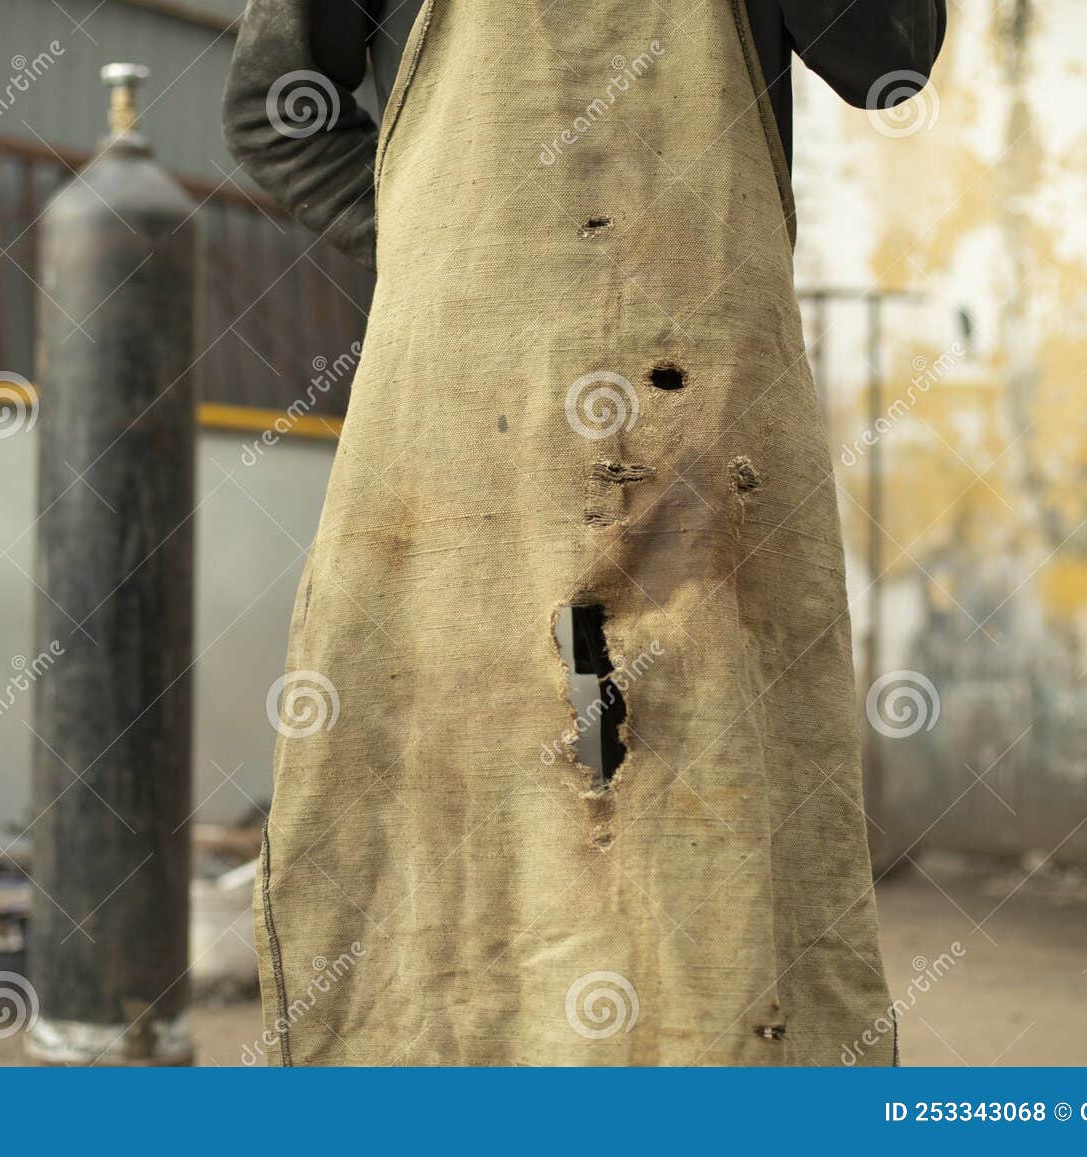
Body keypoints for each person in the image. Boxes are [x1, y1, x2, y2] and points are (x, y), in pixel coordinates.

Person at [224, 0, 947, 1066]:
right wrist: (446, 242)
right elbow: (276, 110)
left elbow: (888, 59)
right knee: (452, 786)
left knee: (714, 796)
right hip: (469, 399)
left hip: (703, 403)